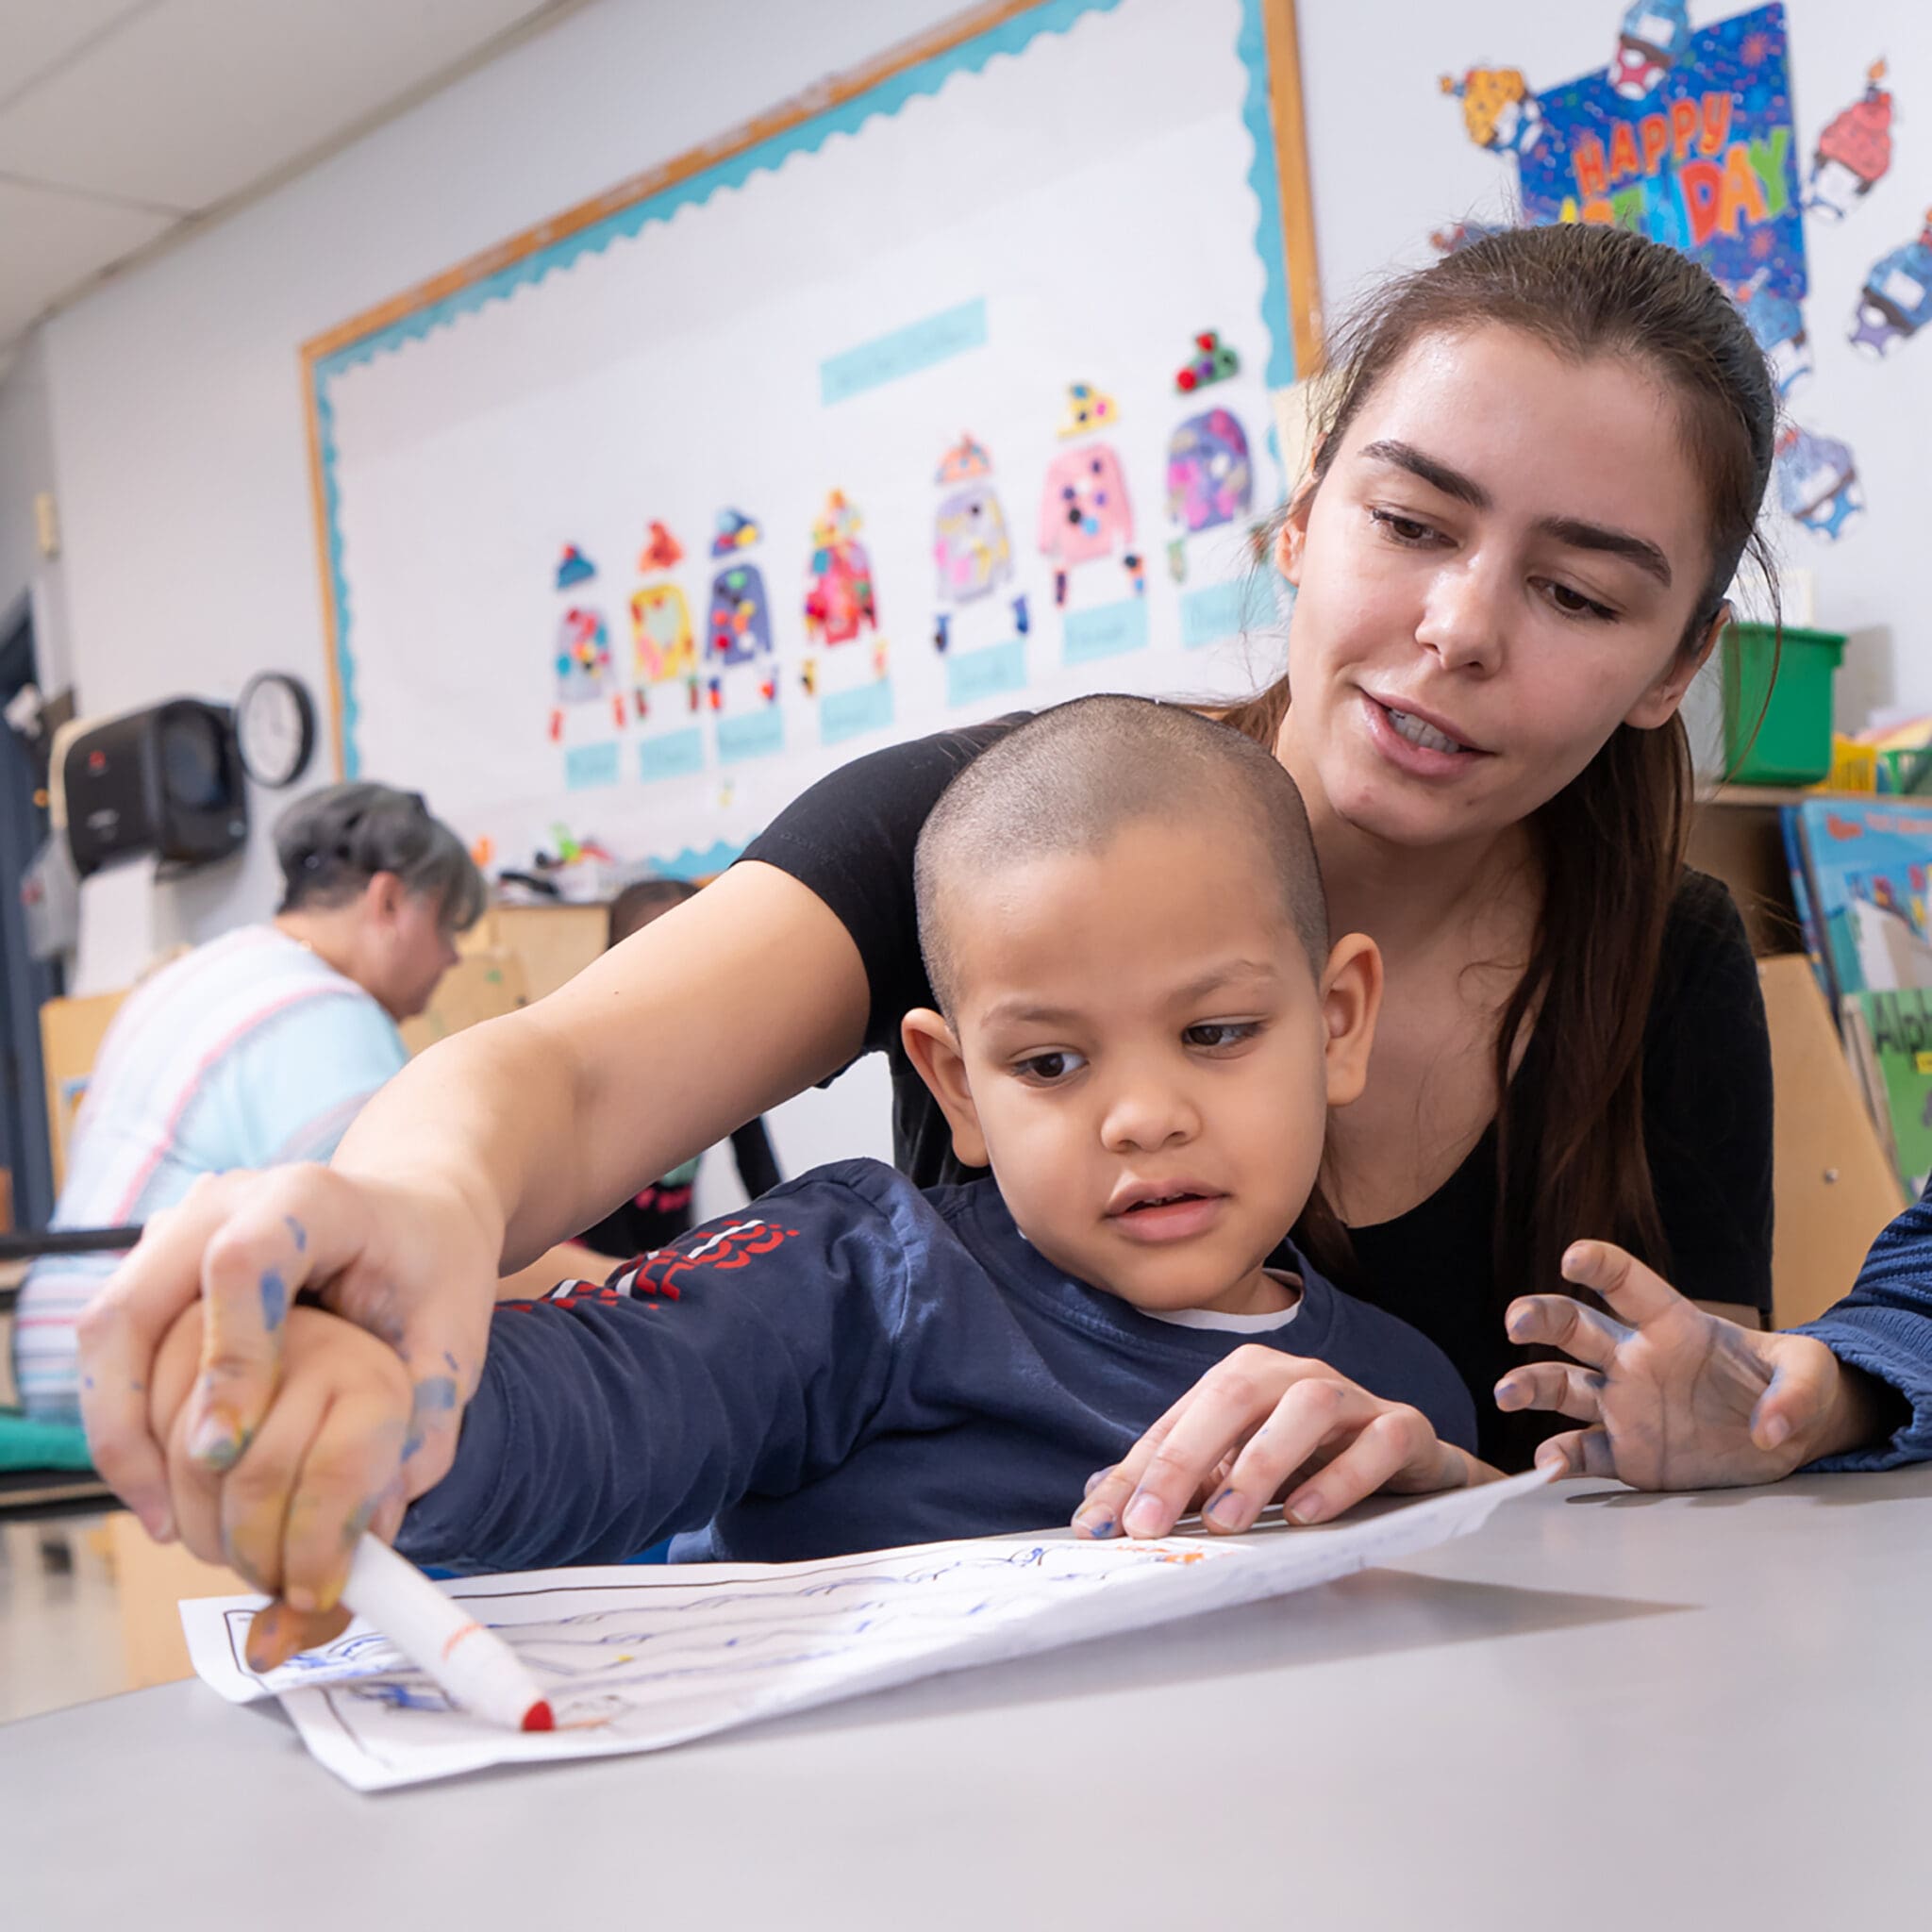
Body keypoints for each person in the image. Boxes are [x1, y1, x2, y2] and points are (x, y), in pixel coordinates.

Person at [79, 224, 1932, 1564]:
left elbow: (1652, 1484)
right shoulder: (992, 831)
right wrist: (413, 1208)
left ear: (1676, 662)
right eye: (1409, 522)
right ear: (1299, 519)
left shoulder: (1664, 959)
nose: (1456, 629)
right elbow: (558, 1080)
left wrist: (1478, 1493)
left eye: (1578, 593)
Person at [143, 700, 1485, 1643]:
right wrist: (381, 1403)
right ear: (954, 1086)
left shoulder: (1403, 1403)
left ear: (1339, 1024)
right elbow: (608, 1399)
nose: (1141, 1117)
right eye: (1049, 1064)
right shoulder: (864, 1279)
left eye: (1217, 1033)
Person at [11, 783, 482, 1420]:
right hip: (140, 1354)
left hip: (50, 1339)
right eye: (448, 926)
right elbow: (401, 1250)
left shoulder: (192, 974)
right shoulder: (323, 1009)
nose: (453, 957)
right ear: (389, 900)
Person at [575, 878, 781, 1256]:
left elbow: (759, 1167)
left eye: (695, 955)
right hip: (589, 1260)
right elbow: (595, 1209)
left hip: (667, 1247)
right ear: (614, 961)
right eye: (656, 958)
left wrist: (788, 1239)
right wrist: (625, 1277)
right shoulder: (605, 1062)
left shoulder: (724, 1058)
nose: (677, 975)